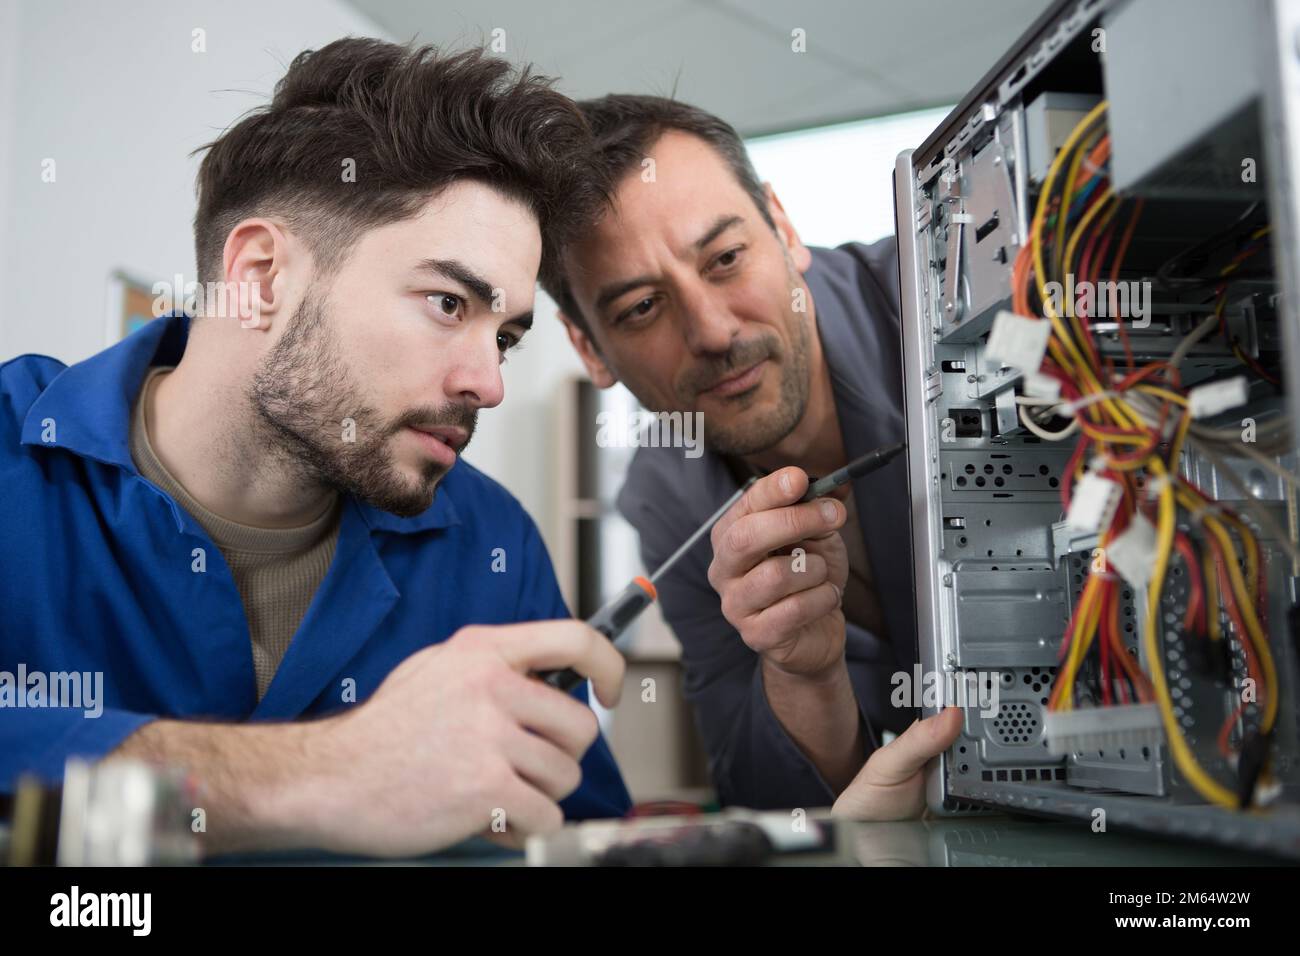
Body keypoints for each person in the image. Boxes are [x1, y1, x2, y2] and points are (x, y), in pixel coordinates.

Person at [0, 39, 631, 857]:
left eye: (504, 337)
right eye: (447, 303)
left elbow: (578, 838)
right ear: (262, 277)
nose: (488, 382)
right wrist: (317, 774)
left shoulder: (493, 546)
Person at [542, 94, 962, 811]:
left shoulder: (953, 295)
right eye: (642, 307)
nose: (711, 330)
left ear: (783, 224)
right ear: (589, 348)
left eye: (727, 258)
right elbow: (757, 786)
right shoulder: (664, 493)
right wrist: (805, 678)